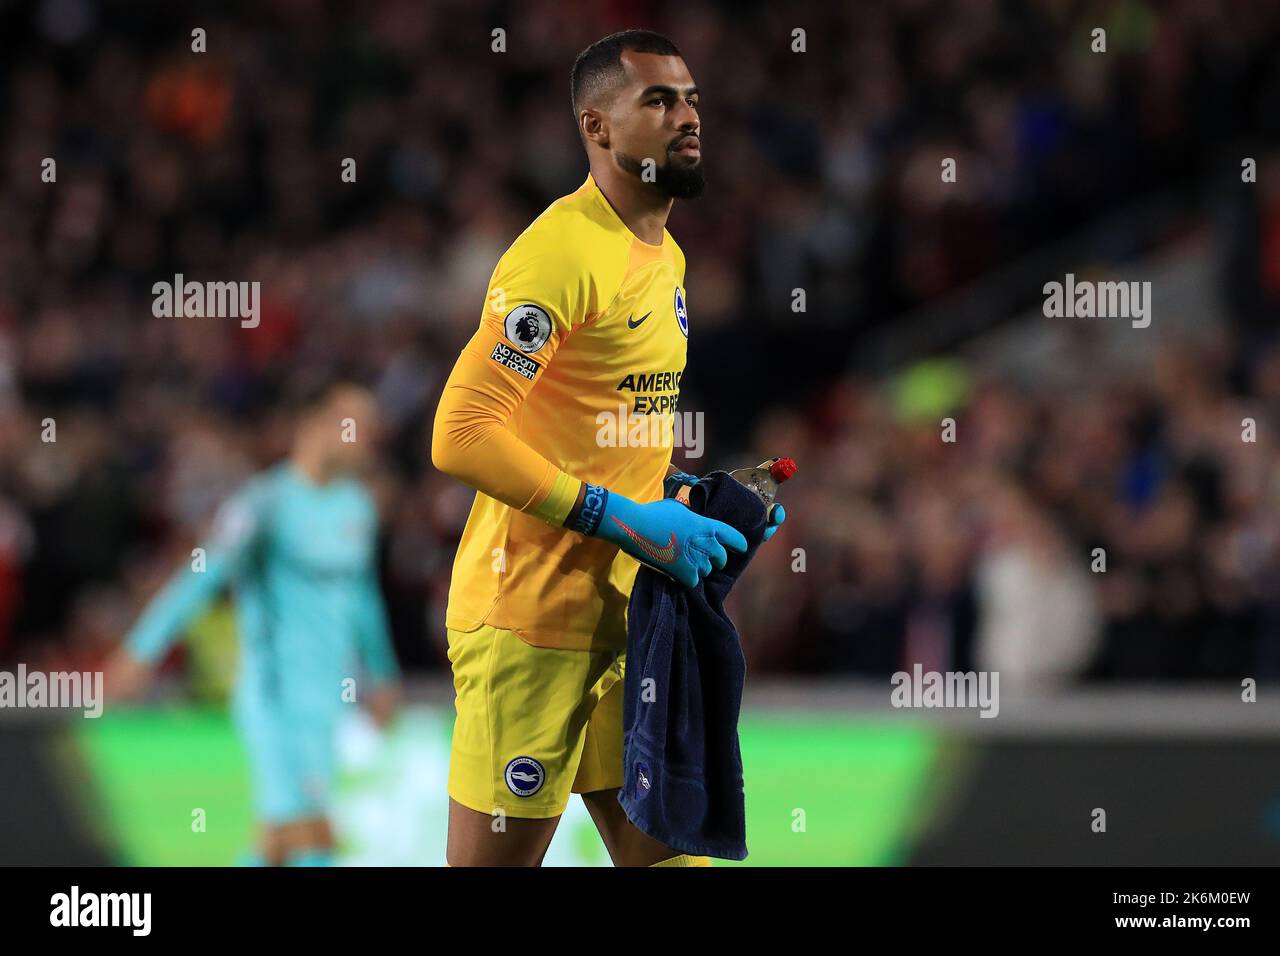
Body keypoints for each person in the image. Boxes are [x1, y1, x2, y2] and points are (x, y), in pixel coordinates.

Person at [431, 29, 782, 867]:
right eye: (658, 101)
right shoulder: (559, 253)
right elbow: (461, 434)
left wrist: (684, 497)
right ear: (597, 127)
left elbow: (608, 426)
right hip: (531, 620)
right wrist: (617, 514)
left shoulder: (665, 258)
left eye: (691, 97)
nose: (687, 116)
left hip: (633, 617)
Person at [107, 383, 400, 866]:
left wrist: (383, 673)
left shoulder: (358, 509)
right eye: (358, 423)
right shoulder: (263, 505)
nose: (371, 435)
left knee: (280, 842)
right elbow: (199, 577)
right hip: (274, 696)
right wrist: (141, 651)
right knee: (310, 837)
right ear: (315, 425)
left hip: (329, 698)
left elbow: (363, 597)